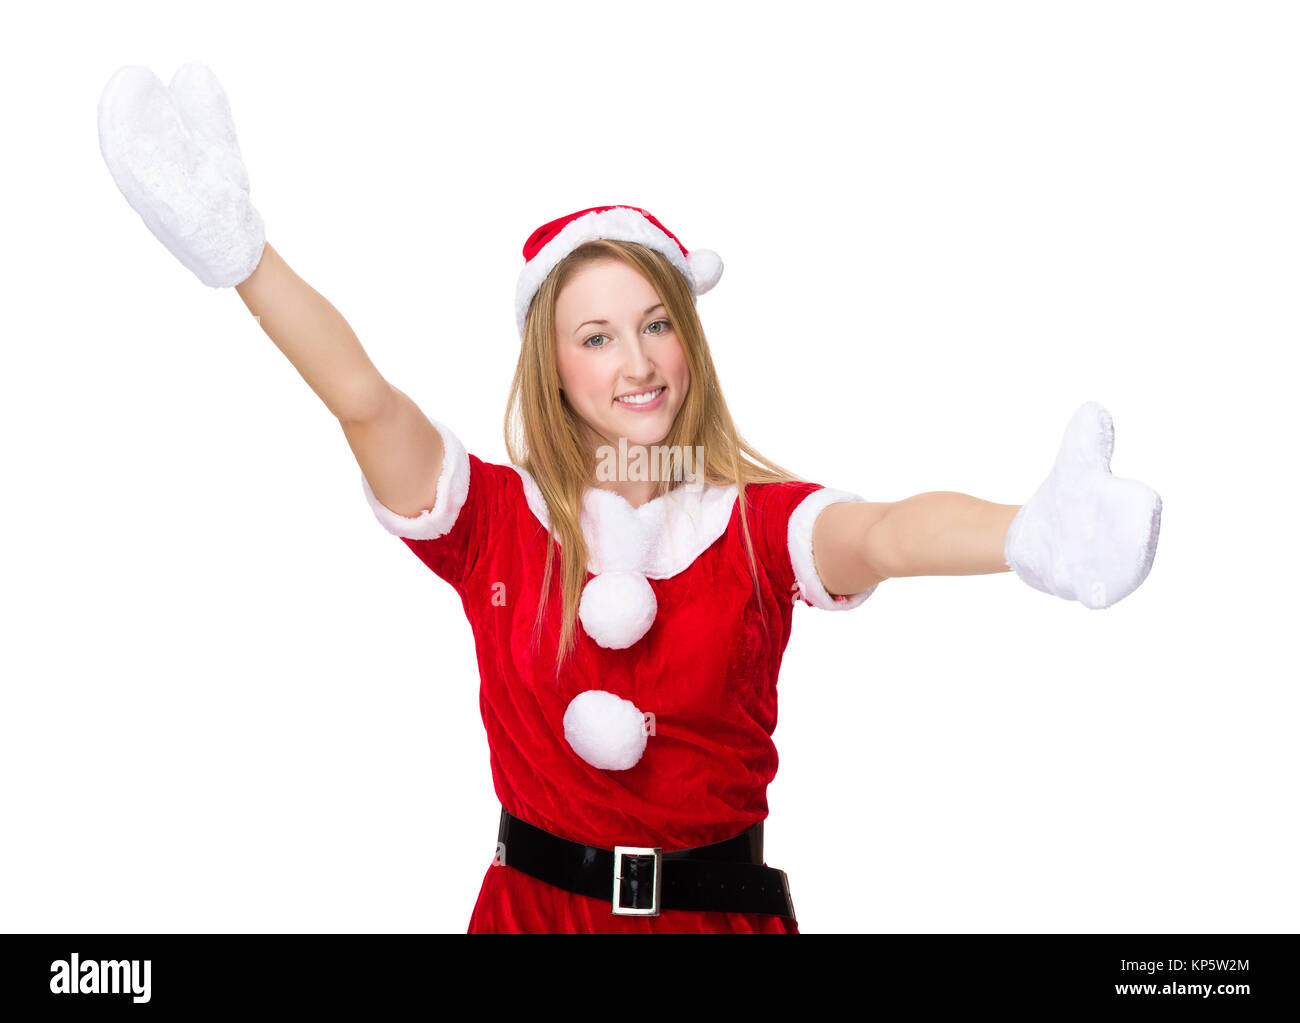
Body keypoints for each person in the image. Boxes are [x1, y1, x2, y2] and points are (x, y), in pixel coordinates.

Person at [97, 63, 1163, 934]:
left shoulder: (757, 524)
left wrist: (1024, 534)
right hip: (529, 918)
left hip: (716, 921)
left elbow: (882, 534)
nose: (636, 361)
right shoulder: (492, 525)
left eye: (656, 324)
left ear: (688, 341)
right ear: (553, 366)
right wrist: (244, 260)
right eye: (596, 336)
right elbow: (367, 403)